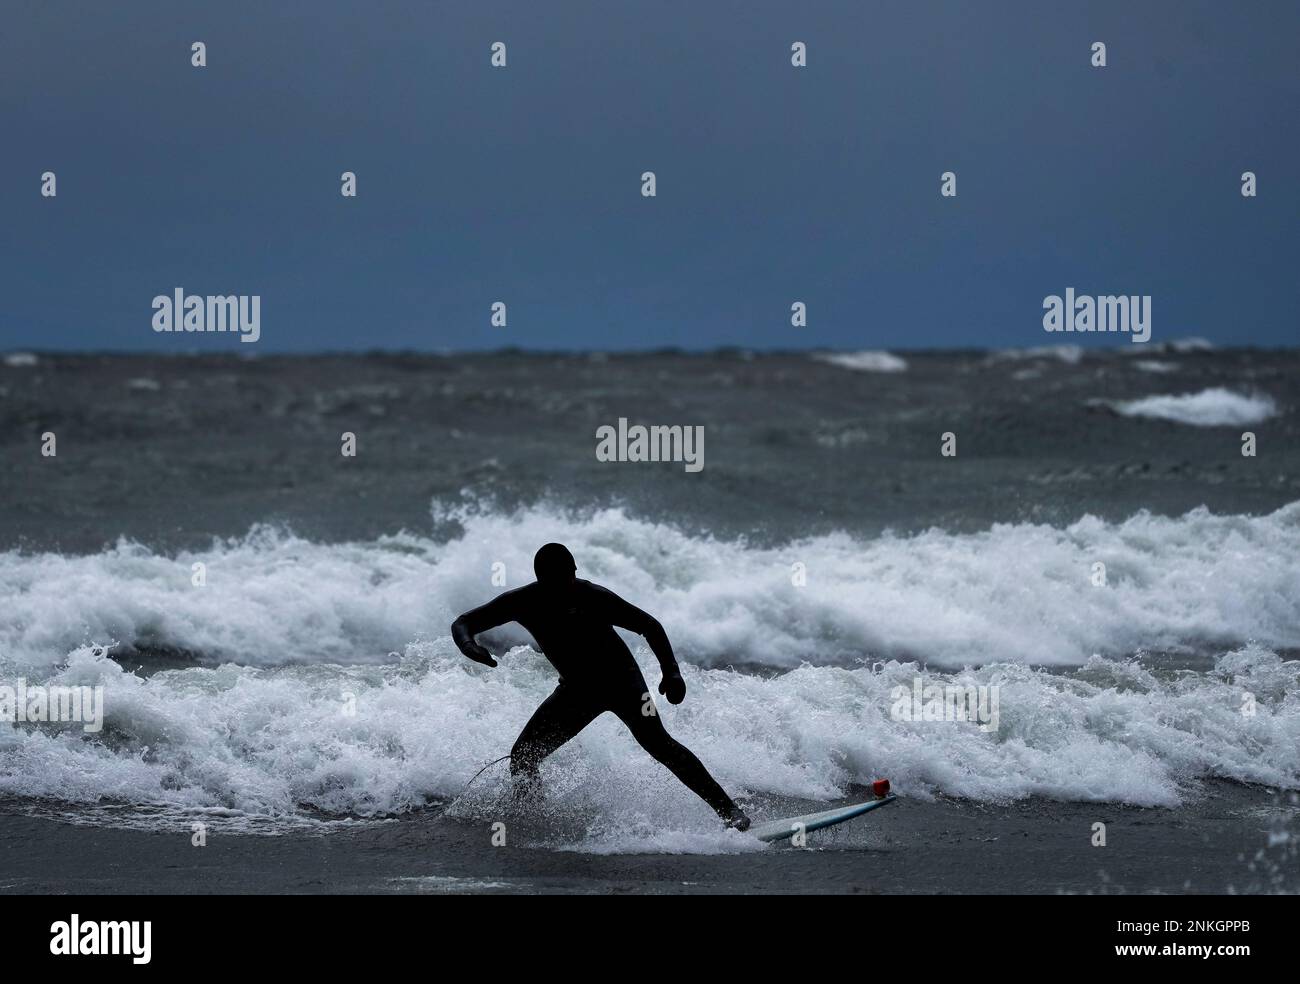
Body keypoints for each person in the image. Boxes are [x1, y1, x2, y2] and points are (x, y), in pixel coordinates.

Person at [451, 542, 751, 830]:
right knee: (523, 756)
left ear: (575, 571)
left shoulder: (593, 596)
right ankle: (531, 818)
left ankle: (729, 811)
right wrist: (468, 645)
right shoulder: (523, 602)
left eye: (567, 579)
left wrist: (671, 673)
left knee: (660, 744)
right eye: (553, 582)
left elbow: (650, 625)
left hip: (624, 684)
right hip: (577, 692)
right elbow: (464, 622)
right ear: (540, 579)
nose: (562, 587)